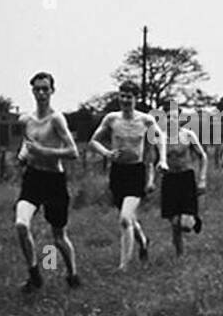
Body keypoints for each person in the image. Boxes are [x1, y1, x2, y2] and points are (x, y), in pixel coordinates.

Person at [15, 71, 81, 292]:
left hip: (54, 180)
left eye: (46, 89)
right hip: (33, 177)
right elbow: (27, 143)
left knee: (58, 237)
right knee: (21, 224)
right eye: (37, 89)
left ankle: (72, 274)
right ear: (32, 90)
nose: (41, 93)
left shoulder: (56, 119)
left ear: (52, 91)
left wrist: (43, 151)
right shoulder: (26, 119)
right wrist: (23, 155)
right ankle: (35, 274)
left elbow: (73, 152)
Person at [90, 82, 162, 270]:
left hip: (136, 171)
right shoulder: (112, 119)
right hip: (117, 172)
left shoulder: (145, 120)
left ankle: (124, 266)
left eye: (129, 96)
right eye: (122, 96)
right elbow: (93, 141)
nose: (125, 100)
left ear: (135, 98)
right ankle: (144, 242)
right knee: (128, 218)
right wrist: (106, 153)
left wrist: (162, 161)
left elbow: (160, 138)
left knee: (124, 218)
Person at [160, 105, 208, 255]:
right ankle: (180, 255)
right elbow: (153, 160)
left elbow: (203, 156)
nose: (171, 120)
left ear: (180, 119)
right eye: (168, 117)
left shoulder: (188, 135)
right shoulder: (160, 137)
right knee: (174, 222)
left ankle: (193, 219)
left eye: (174, 116)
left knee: (185, 225)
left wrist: (202, 179)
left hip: (186, 178)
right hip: (169, 179)